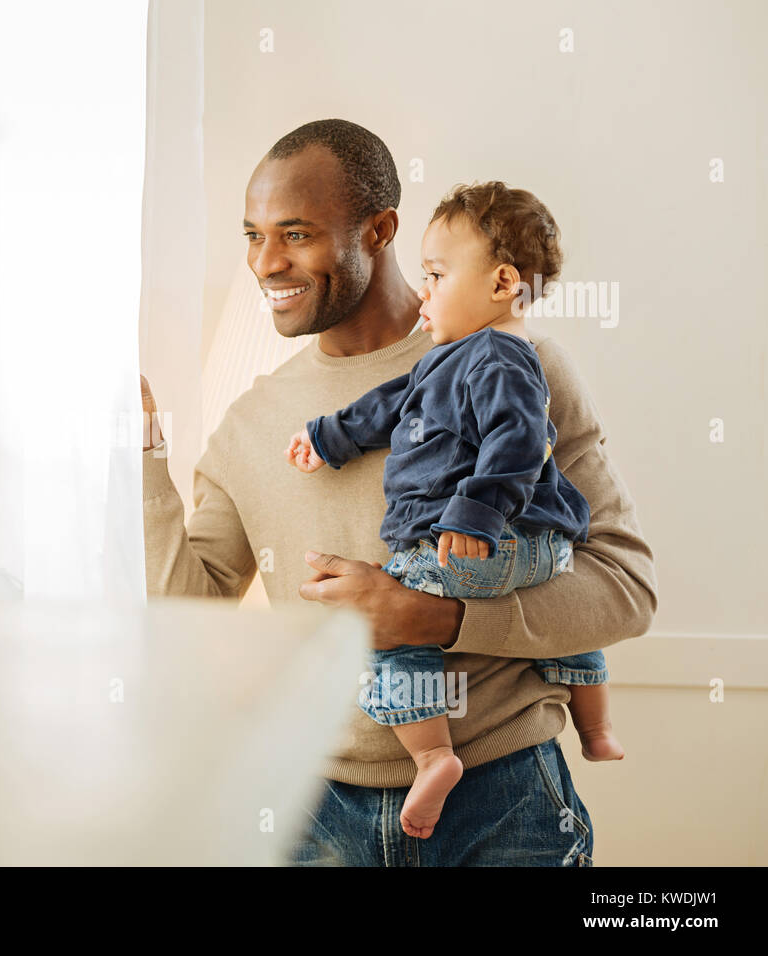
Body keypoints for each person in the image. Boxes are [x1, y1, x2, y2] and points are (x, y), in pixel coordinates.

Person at [140, 119, 657, 866]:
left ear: (380, 229)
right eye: (252, 235)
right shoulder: (253, 425)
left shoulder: (517, 363)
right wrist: (143, 458)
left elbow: (625, 587)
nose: (265, 262)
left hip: (503, 806)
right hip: (313, 818)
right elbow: (190, 615)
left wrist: (437, 616)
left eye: (295, 233)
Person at [286, 181, 622, 841]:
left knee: (391, 619)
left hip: (496, 540)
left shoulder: (504, 359)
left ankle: (433, 754)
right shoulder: (445, 361)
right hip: (534, 549)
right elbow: (386, 404)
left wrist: (474, 514)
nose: (421, 293)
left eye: (436, 275)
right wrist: (330, 436)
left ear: (502, 283)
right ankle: (597, 726)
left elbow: (518, 445)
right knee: (570, 622)